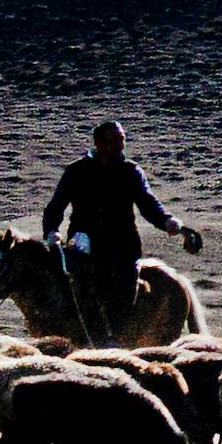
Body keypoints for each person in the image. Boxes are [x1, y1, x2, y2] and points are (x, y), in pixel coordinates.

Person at [37, 123, 189, 338]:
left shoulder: (130, 171)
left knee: (124, 291)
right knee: (63, 286)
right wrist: (51, 231)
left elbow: (147, 202)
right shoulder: (76, 171)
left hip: (122, 245)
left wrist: (167, 221)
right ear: (98, 143)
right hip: (84, 244)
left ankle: (115, 337)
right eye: (114, 140)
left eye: (121, 139)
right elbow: (56, 205)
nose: (119, 145)